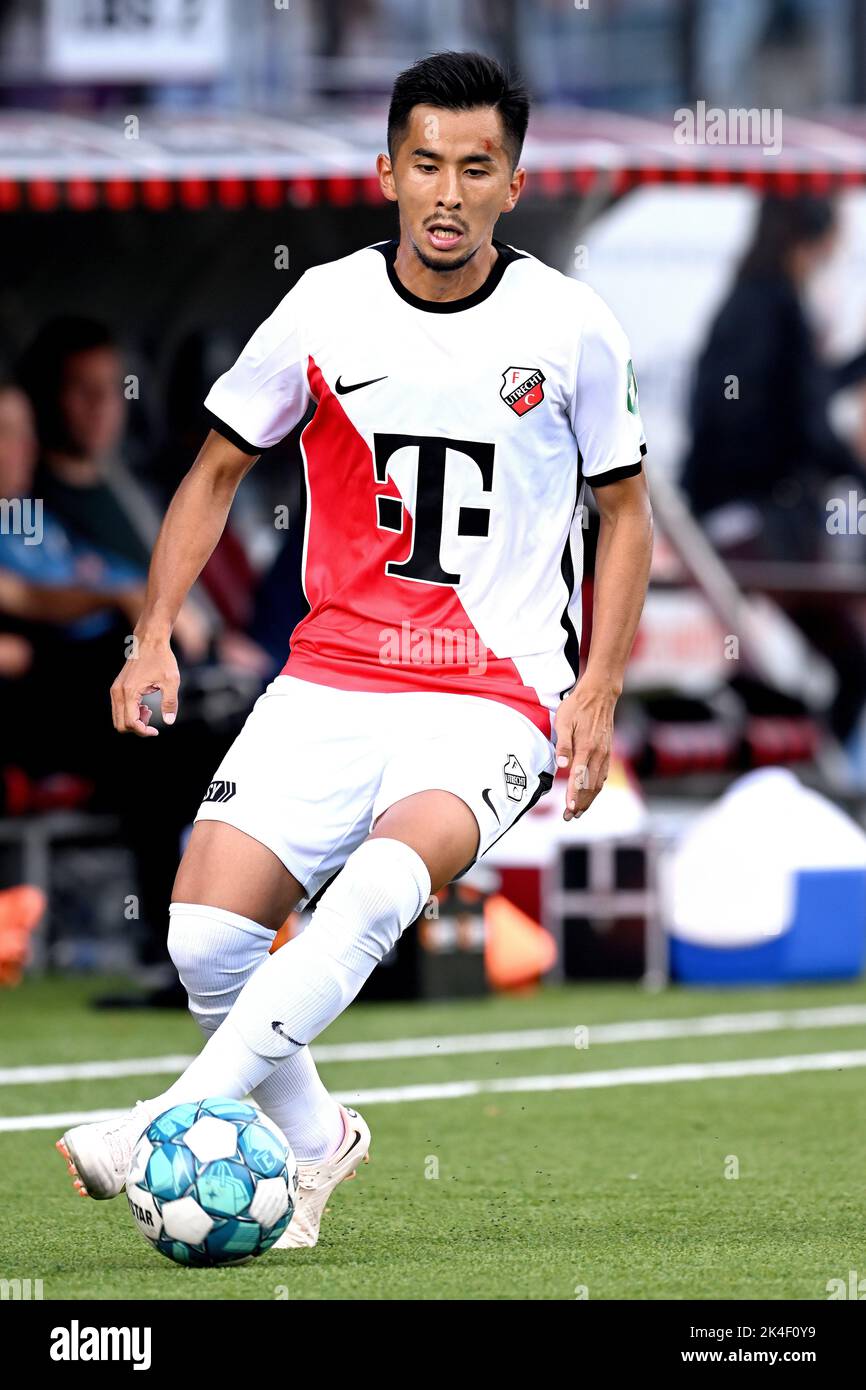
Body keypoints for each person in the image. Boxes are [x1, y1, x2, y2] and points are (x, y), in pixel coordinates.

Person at [56, 51, 653, 1250]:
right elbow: (217, 468)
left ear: (512, 184)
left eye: (474, 167)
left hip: (494, 695)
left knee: (382, 884)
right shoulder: (324, 305)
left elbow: (624, 510)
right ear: (386, 170)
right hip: (332, 671)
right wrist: (154, 633)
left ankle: (164, 1121)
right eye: (425, 162)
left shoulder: (570, 324)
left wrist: (596, 688)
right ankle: (319, 1141)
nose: (446, 190)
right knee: (203, 941)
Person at [681, 195, 866, 742]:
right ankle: (827, 780)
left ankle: (805, 760)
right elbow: (799, 419)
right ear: (816, 234)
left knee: (829, 665)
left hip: (728, 512)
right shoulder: (776, 303)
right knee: (849, 664)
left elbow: (790, 399)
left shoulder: (751, 299)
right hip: (756, 519)